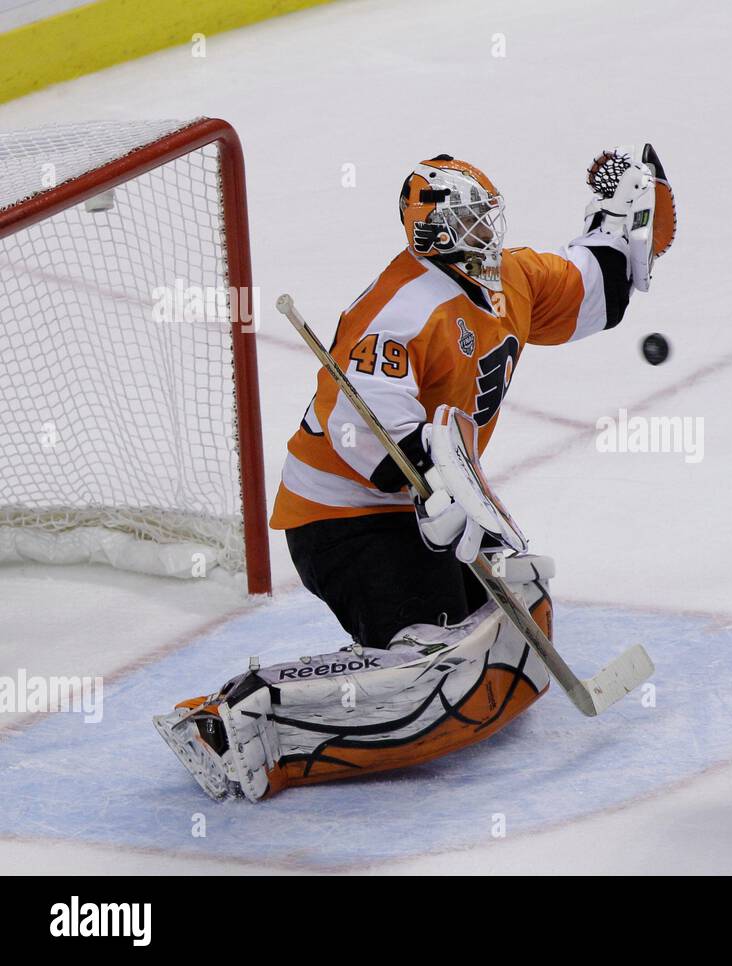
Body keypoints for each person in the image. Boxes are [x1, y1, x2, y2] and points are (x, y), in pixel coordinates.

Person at [155, 147, 676, 800]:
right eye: (473, 222)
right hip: (343, 521)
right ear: (437, 233)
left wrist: (622, 216)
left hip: (423, 504)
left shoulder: (508, 280)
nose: (490, 234)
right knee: (431, 660)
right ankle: (233, 721)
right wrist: (431, 488)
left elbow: (597, 287)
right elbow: (354, 430)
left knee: (518, 607)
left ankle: (397, 652)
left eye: (490, 217)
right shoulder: (400, 308)